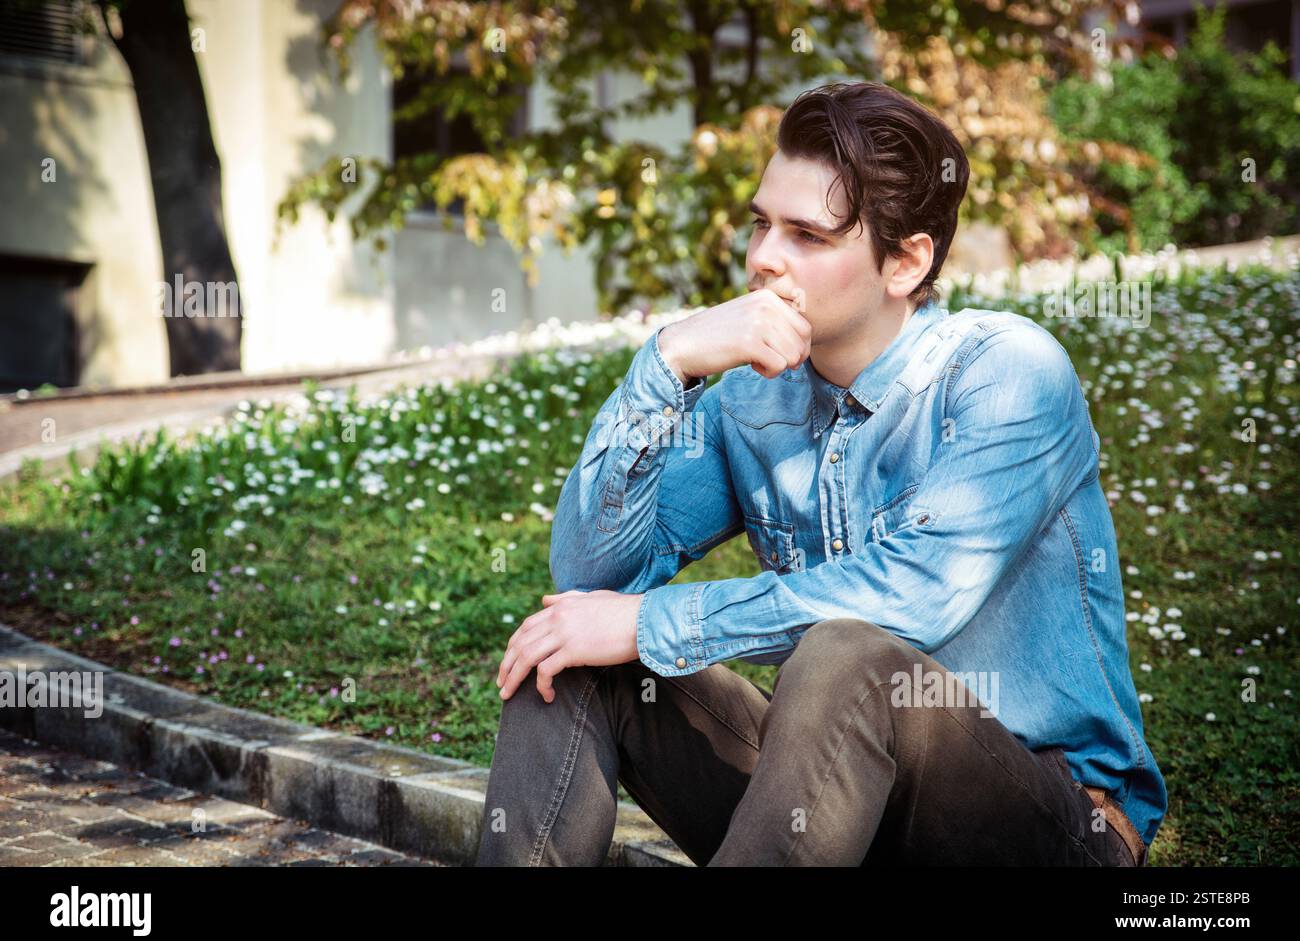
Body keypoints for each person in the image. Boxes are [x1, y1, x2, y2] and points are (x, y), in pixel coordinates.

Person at [475, 80, 1166, 867]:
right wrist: (667, 362)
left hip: (1048, 824)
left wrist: (646, 623)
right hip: (833, 809)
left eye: (807, 234)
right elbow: (591, 574)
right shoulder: (750, 400)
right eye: (762, 224)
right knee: (566, 651)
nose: (763, 258)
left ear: (905, 261)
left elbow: (914, 594)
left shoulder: (1007, 371)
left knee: (846, 658)